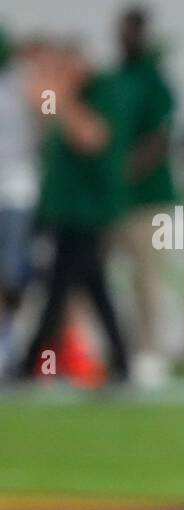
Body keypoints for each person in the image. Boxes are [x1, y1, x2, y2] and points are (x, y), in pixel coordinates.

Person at [11, 41, 130, 384]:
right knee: (92, 289)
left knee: (58, 292)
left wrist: (61, 98)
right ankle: (121, 363)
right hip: (66, 213)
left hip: (87, 215)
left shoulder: (101, 96)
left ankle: (28, 365)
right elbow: (40, 112)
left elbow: (92, 137)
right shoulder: (64, 104)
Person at [110, 6, 179, 384]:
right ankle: (118, 350)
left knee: (149, 281)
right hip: (110, 203)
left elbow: (160, 138)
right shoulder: (115, 77)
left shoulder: (155, 81)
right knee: (100, 280)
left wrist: (121, 173)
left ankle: (151, 354)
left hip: (149, 199)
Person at [0, 28, 40, 371]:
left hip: (17, 192)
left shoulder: (25, 83)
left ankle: (10, 342)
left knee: (14, 274)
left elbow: (48, 114)